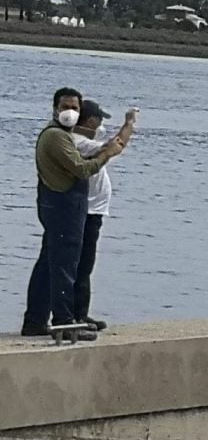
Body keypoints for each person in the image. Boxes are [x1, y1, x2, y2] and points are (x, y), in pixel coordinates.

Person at [23, 88, 132, 341]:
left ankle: (35, 321)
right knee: (64, 267)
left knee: (48, 266)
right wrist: (107, 153)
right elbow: (82, 170)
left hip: (62, 207)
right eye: (65, 106)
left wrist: (103, 149)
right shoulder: (56, 137)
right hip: (63, 209)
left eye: (74, 107)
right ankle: (64, 323)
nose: (69, 112)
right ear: (55, 109)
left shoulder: (63, 136)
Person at [68, 100, 121, 329]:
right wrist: (129, 124)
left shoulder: (83, 139)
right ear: (90, 121)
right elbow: (113, 147)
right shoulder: (81, 143)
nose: (100, 125)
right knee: (82, 265)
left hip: (92, 211)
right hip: (86, 212)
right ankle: (75, 316)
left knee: (84, 265)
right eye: (98, 120)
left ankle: (80, 313)